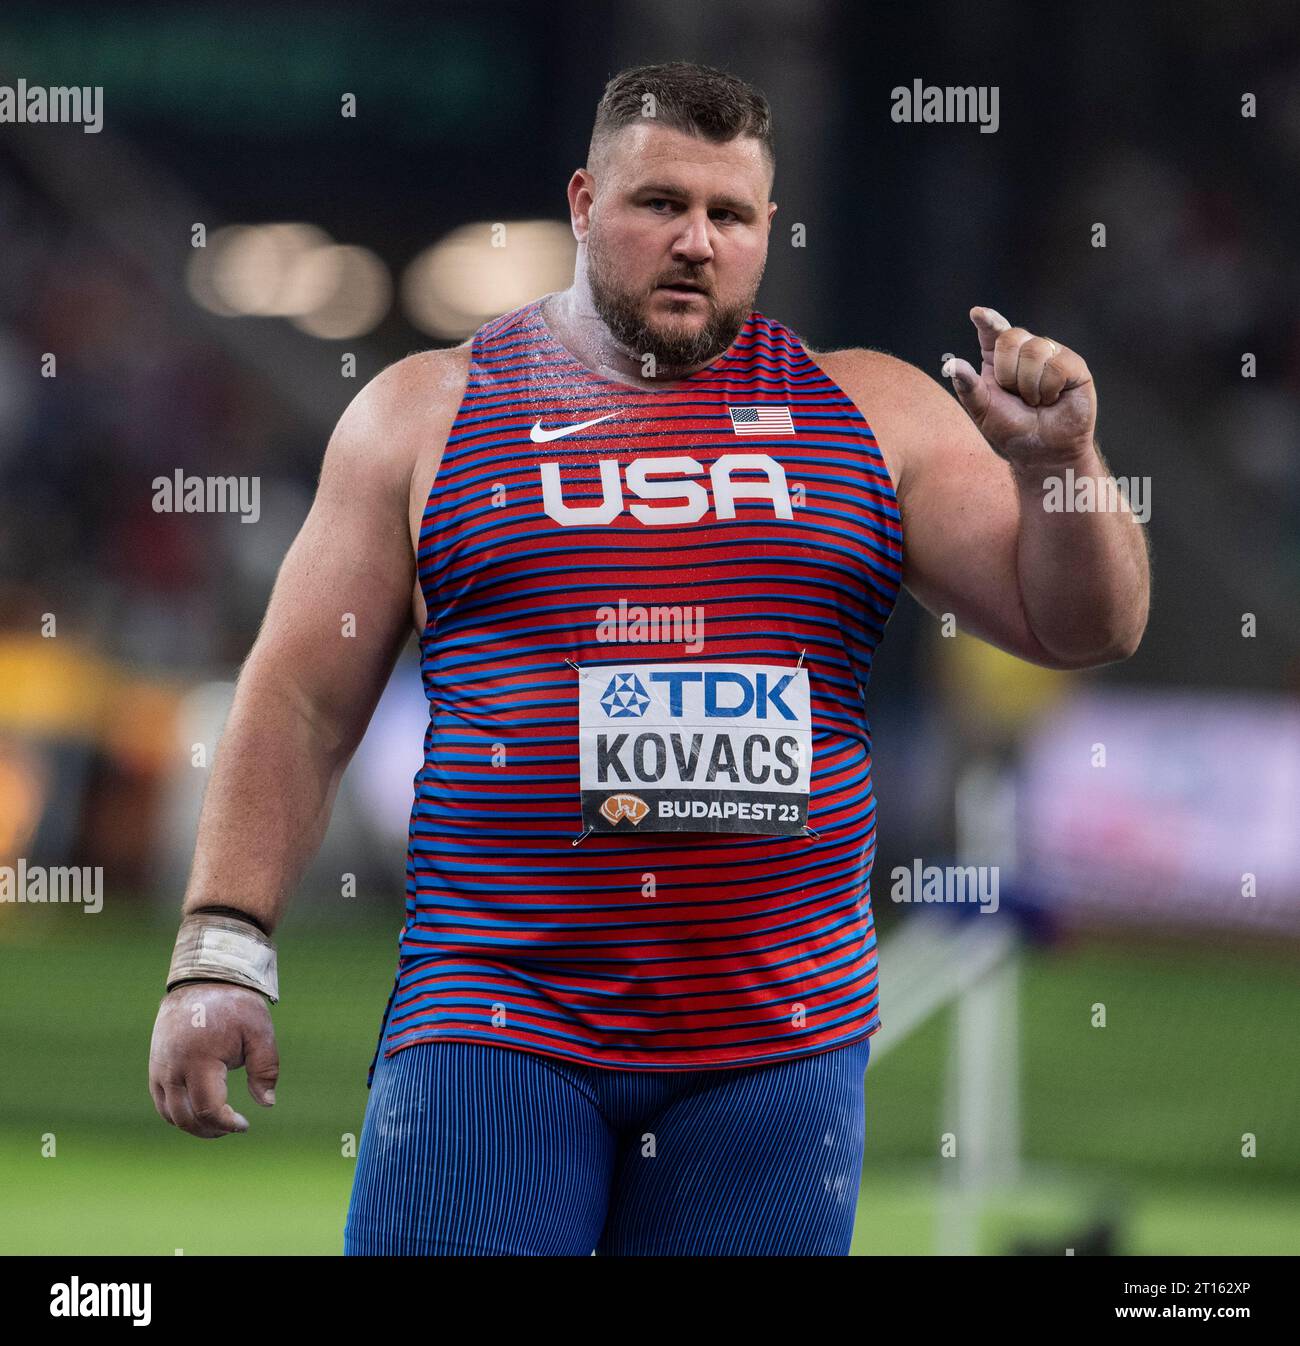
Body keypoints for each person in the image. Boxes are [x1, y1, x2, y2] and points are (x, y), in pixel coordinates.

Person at [148, 61, 1149, 1256]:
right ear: (581, 202)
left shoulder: (870, 412)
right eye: (657, 204)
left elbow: (1083, 626)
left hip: (775, 1046)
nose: (695, 242)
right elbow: (303, 697)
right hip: (496, 1021)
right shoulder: (428, 413)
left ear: (766, 229)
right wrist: (220, 947)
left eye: (728, 216)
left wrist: (1061, 468)